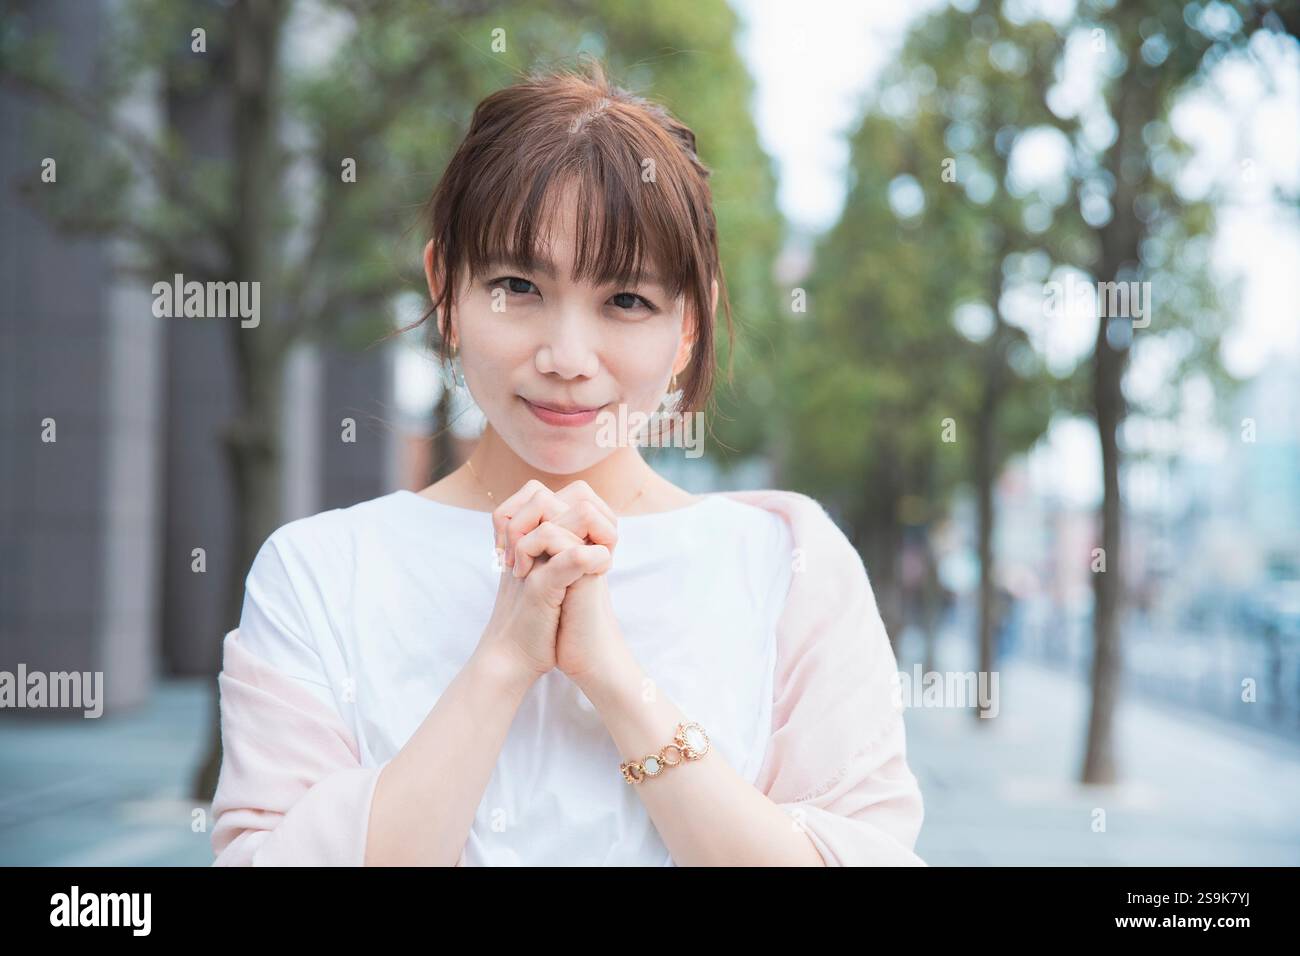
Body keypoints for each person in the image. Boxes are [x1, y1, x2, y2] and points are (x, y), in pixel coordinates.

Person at [209, 57, 925, 867]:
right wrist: (504, 660)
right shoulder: (316, 574)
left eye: (627, 301)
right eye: (517, 285)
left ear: (690, 322)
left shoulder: (788, 564)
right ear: (446, 287)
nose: (566, 356)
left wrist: (618, 683)